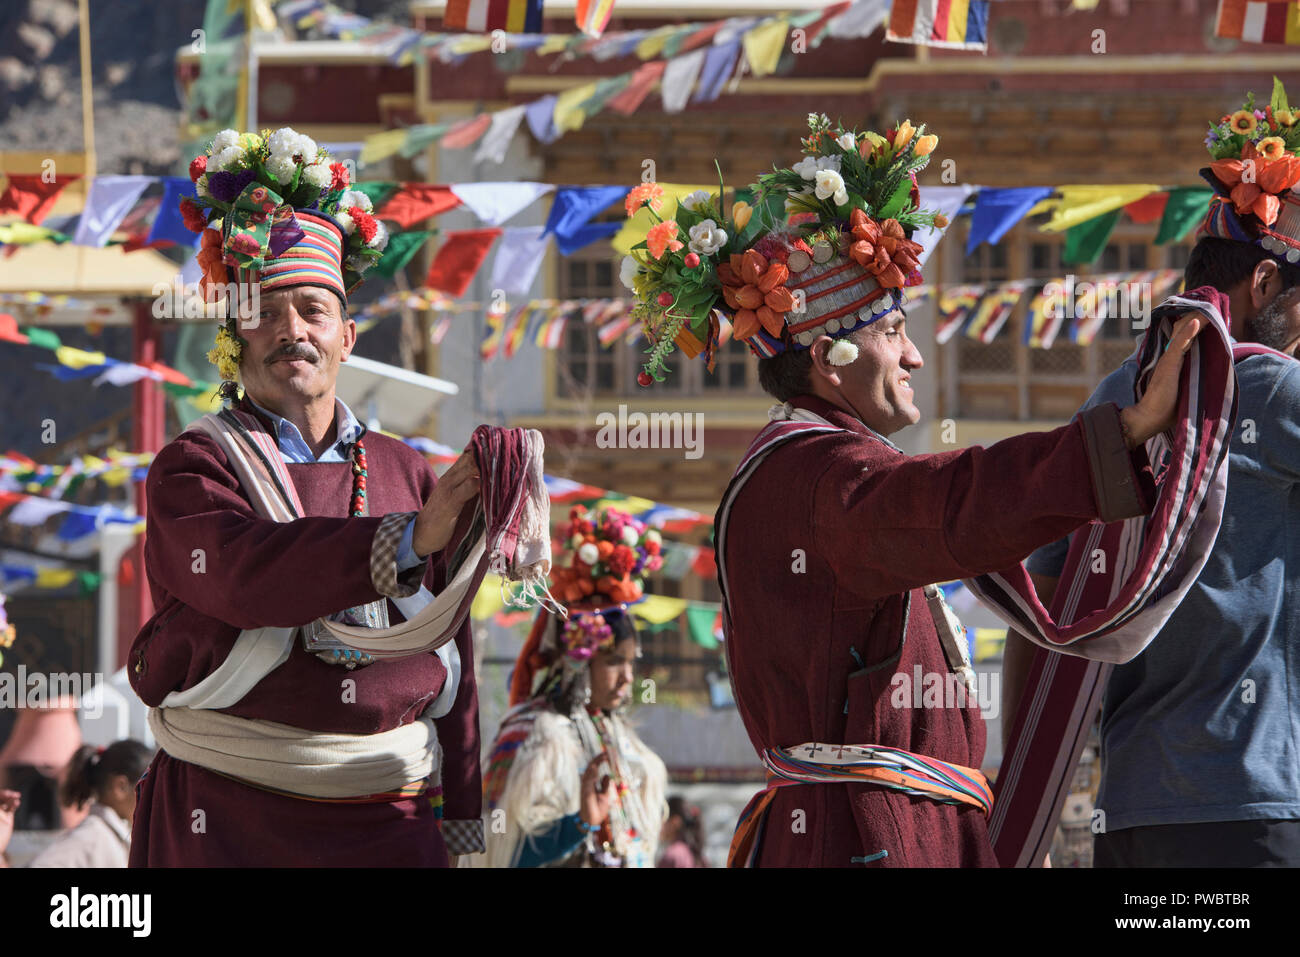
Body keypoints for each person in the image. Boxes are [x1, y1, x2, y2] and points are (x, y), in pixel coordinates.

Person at [621, 113, 1205, 867]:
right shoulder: (816, 475)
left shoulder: (825, 468)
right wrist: (1119, 434)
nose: (915, 356)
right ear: (829, 360)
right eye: (894, 330)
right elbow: (955, 502)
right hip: (859, 837)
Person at [128, 128, 489, 866]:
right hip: (227, 822)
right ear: (234, 334)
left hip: (393, 823)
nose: (292, 331)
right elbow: (242, 574)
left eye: (314, 311)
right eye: (265, 309)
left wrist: (465, 820)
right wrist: (405, 541)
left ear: (349, 335)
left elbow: (456, 650)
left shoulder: (407, 469)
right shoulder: (192, 468)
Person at [1004, 84, 1300, 867]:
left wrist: (1021, 788)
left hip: (1131, 816)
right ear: (1266, 287)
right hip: (1255, 806)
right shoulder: (1271, 388)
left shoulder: (1115, 400)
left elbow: (1039, 617)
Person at [472, 505, 668, 868]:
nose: (627, 677)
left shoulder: (620, 739)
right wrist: (578, 825)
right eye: (612, 662)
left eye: (629, 662)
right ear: (578, 660)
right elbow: (497, 851)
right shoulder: (532, 734)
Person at [28, 740, 153, 868]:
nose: (153, 800)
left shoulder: (112, 836)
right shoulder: (92, 837)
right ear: (120, 787)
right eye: (149, 790)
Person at [658, 796, 707, 867]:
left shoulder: (673, 855)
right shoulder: (695, 854)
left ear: (675, 822)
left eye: (663, 819)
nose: (660, 825)